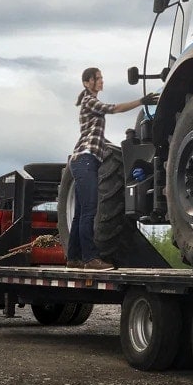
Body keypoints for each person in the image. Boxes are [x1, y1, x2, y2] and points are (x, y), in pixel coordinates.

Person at [68, 68, 151, 270]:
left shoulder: (88, 103)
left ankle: (73, 258)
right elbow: (114, 109)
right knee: (89, 211)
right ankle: (90, 259)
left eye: (101, 78)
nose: (101, 81)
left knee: (80, 213)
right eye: (98, 78)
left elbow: (94, 136)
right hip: (85, 160)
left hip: (85, 160)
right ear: (88, 82)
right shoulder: (90, 101)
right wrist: (141, 101)